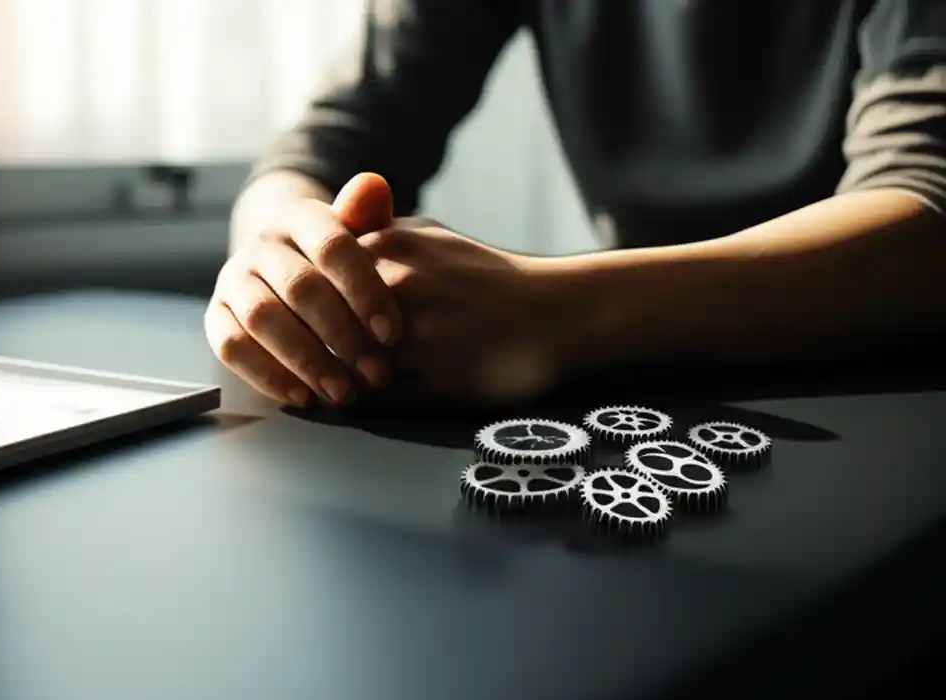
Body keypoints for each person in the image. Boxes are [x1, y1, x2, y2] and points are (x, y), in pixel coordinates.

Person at [205, 0, 946, 408]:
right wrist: (285, 256)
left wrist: (552, 311)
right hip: (629, 381)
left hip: (881, 389)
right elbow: (330, 139)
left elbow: (924, 217)